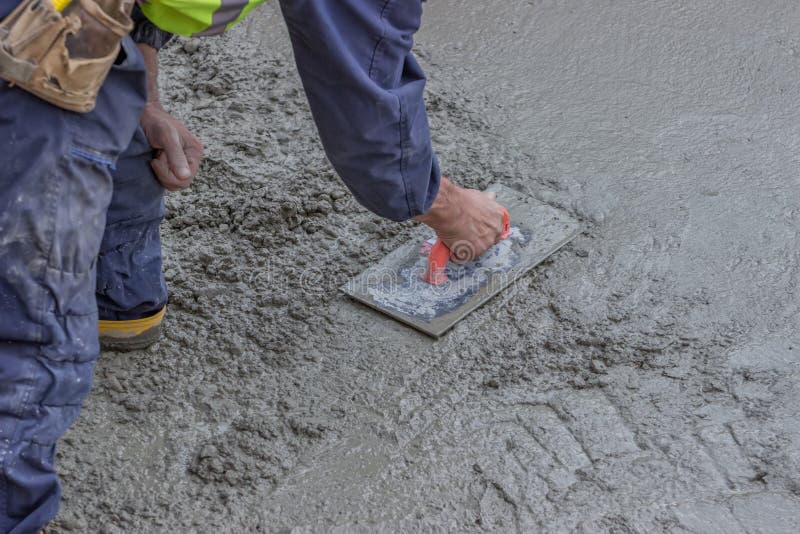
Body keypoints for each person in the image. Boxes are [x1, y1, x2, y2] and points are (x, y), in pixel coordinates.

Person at [0, 1, 505, 531]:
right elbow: (365, 97)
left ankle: (116, 303)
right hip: (28, 36)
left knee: (116, 119)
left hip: (64, 20)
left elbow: (134, 10)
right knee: (28, 345)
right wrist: (447, 206)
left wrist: (143, 103)